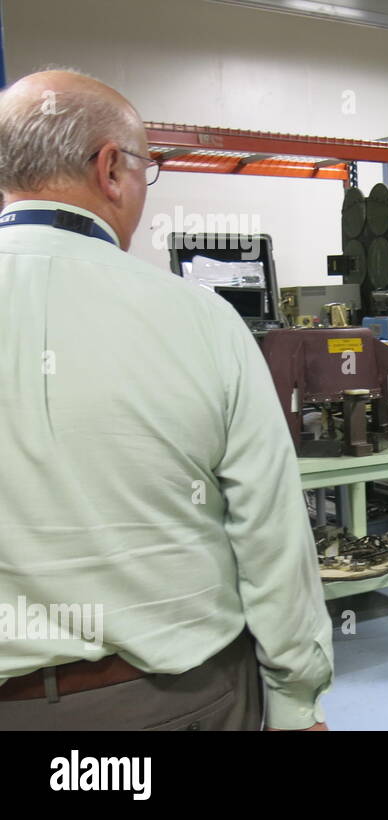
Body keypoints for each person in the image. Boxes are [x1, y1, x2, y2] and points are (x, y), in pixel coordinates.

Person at [0, 70, 333, 730]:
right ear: (111, 169)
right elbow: (270, 536)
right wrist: (298, 698)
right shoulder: (202, 320)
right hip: (178, 700)